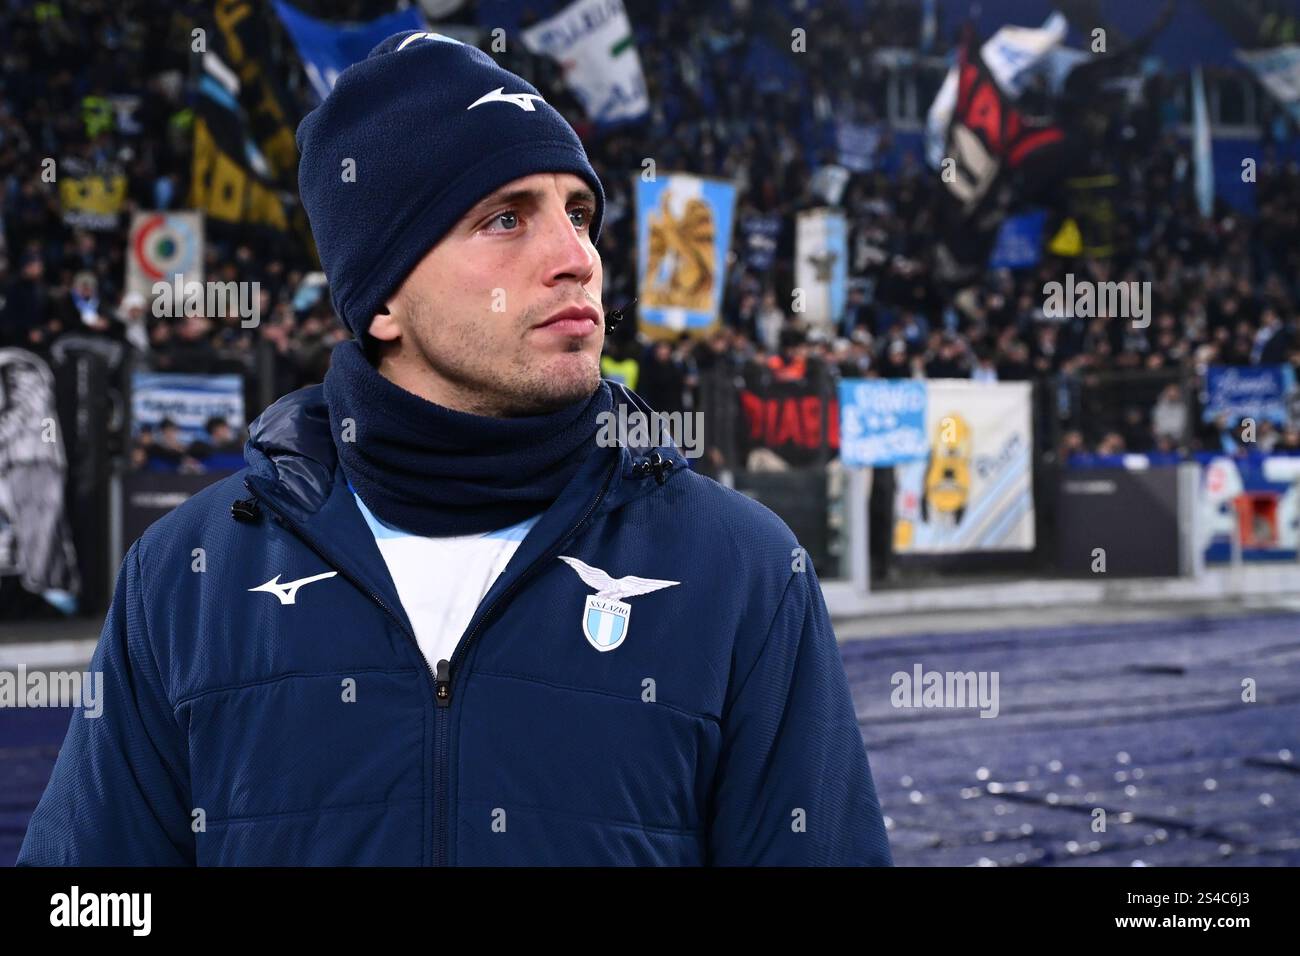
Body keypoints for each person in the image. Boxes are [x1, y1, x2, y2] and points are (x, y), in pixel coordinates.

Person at [18, 31, 891, 867]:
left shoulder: (741, 570)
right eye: (506, 218)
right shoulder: (186, 576)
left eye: (578, 212)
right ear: (382, 301)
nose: (576, 257)